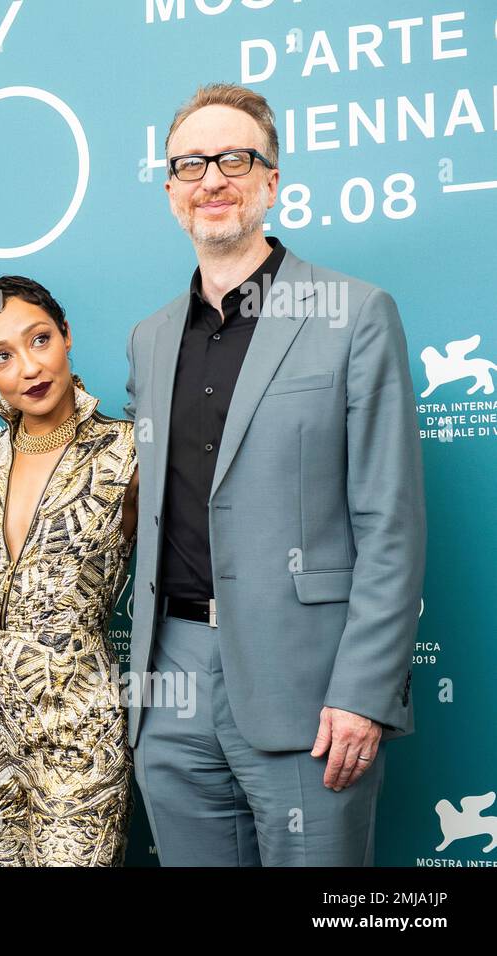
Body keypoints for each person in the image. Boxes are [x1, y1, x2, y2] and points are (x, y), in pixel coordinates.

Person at [124, 83, 426, 866]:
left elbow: (389, 523)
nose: (212, 180)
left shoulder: (355, 314)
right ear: (169, 192)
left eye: (234, 158)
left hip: (311, 687)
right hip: (172, 681)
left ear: (271, 182)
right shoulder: (149, 341)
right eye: (191, 164)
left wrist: (364, 692)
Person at [0, 275, 139, 866]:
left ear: (67, 337)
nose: (28, 368)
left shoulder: (130, 451)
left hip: (79, 732)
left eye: (39, 340)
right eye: (1, 356)